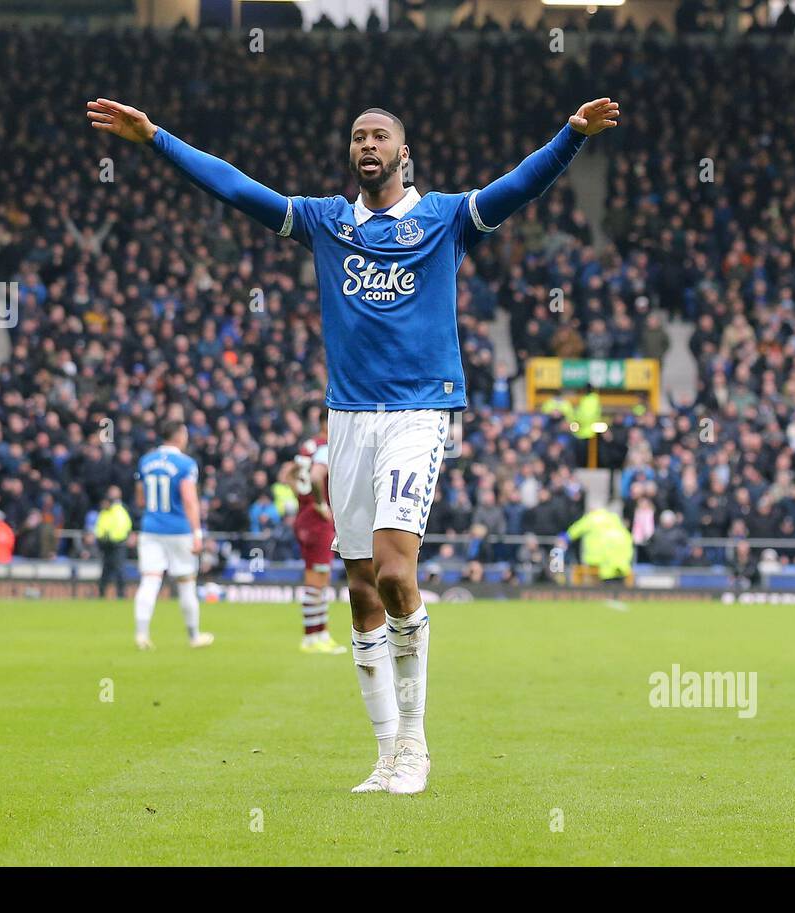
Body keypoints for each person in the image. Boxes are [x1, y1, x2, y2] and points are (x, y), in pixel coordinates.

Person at [89, 91, 618, 793]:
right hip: (347, 421)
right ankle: (386, 750)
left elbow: (517, 187)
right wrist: (157, 138)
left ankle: (417, 744)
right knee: (362, 591)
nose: (367, 145)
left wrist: (570, 137)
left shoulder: (446, 218)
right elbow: (237, 187)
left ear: (403, 153)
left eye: (380, 137)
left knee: (399, 574)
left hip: (418, 414)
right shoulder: (325, 222)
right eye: (358, 137)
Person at [133, 421, 213, 650]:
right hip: (179, 531)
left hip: (150, 528)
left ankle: (141, 634)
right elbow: (189, 499)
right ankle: (194, 636)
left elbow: (140, 498)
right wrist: (197, 533)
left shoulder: (146, 461)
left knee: (149, 580)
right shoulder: (185, 463)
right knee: (186, 583)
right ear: (179, 436)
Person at [281, 420, 346, 655]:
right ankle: (314, 637)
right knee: (317, 580)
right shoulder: (325, 446)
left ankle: (318, 635)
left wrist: (303, 499)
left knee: (318, 578)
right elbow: (317, 477)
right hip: (317, 523)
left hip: (304, 518)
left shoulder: (307, 446)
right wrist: (319, 504)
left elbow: (288, 474)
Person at [94, 486, 133, 599]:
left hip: (118, 545)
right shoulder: (104, 513)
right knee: (106, 570)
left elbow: (123, 526)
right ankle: (101, 594)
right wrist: (102, 537)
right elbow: (99, 527)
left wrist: (110, 536)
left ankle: (121, 594)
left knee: (119, 569)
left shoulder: (119, 511)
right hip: (107, 545)